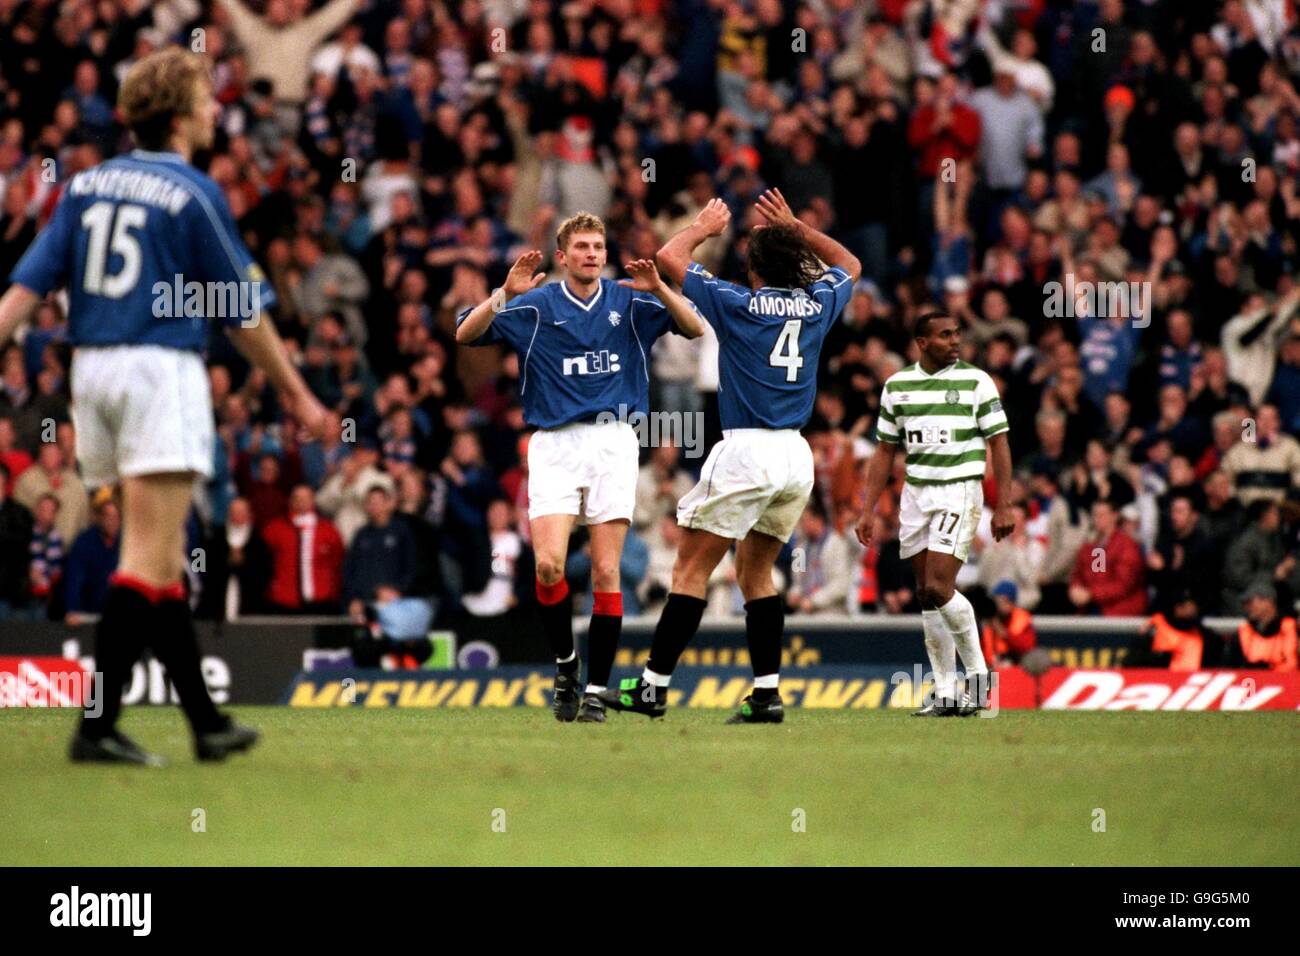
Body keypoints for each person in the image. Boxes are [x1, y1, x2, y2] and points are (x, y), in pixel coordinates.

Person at [0, 48, 326, 765]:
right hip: (158, 370)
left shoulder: (85, 187)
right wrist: (298, 393)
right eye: (207, 102)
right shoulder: (192, 192)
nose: (215, 111)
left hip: (92, 375)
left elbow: (23, 292)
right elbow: (242, 313)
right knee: (145, 557)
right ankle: (95, 724)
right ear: (180, 118)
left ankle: (206, 723)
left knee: (162, 557)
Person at [601, 188, 859, 723]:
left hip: (748, 449)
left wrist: (702, 226)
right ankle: (766, 694)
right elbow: (850, 263)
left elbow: (670, 258)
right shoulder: (817, 303)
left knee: (690, 570)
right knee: (755, 573)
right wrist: (796, 227)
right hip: (796, 457)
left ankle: (652, 687)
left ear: (756, 271)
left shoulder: (738, 303)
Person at [455, 211, 705, 722]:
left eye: (598, 246)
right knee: (548, 564)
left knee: (606, 569)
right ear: (562, 256)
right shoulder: (537, 304)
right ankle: (566, 664)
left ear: (605, 254)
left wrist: (660, 288)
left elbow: (694, 326)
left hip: (614, 442)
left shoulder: (631, 299)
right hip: (554, 444)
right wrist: (504, 291)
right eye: (582, 247)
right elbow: (465, 332)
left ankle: (595, 690)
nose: (592, 253)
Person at [855, 310, 1015, 716]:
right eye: (945, 335)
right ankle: (945, 691)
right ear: (922, 342)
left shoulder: (977, 382)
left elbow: (999, 443)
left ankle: (978, 682)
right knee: (926, 594)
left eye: (958, 333)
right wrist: (867, 509)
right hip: (916, 494)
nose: (955, 341)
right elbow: (884, 451)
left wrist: (1004, 504)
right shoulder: (897, 387)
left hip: (958, 490)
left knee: (941, 585)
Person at [1127, 589, 1222, 671]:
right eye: (1182, 604)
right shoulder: (1153, 631)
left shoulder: (1207, 637)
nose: (1190, 609)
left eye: (1191, 604)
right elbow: (1133, 666)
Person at [1226, 580, 1299, 672]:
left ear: (1268, 601)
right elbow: (1230, 666)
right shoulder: (1242, 633)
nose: (1247, 608)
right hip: (1252, 683)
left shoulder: (1292, 628)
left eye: (1250, 602)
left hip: (1289, 683)